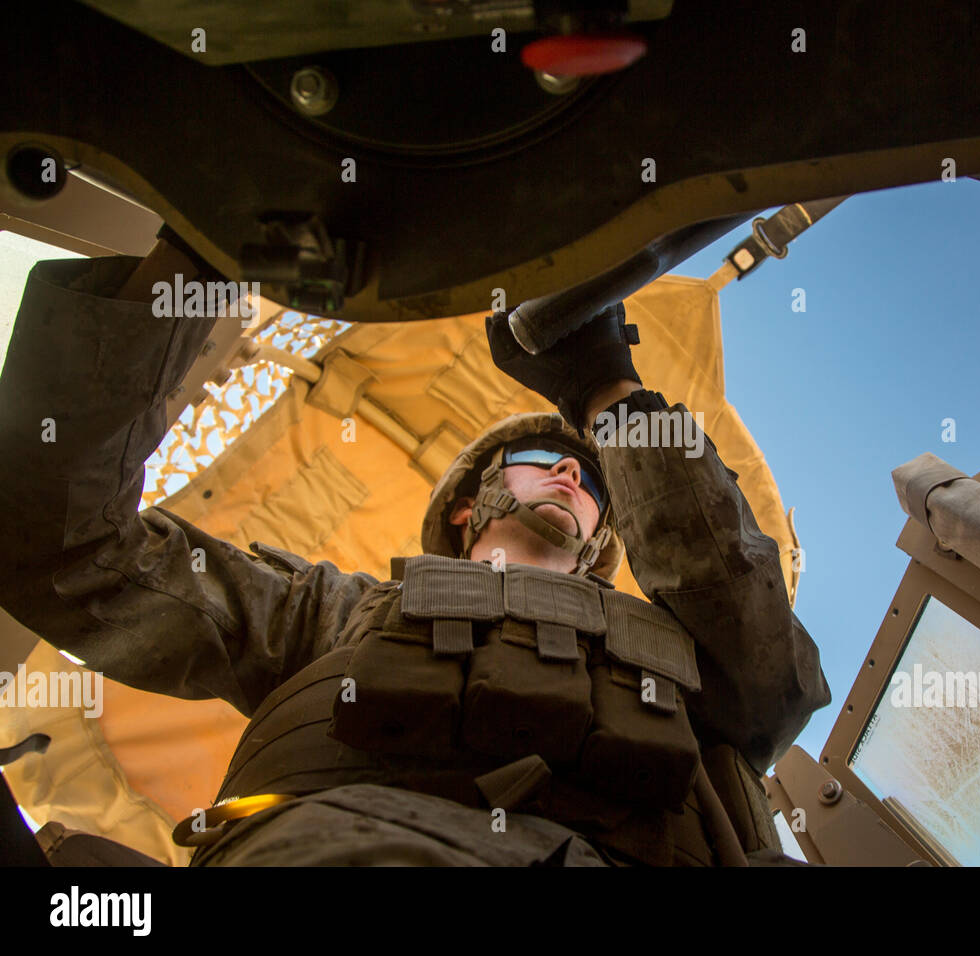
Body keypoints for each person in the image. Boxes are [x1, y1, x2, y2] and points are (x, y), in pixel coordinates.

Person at [0, 231, 831, 866]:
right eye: (547, 462)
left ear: (600, 547)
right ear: (471, 504)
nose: (576, 475)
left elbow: (762, 661)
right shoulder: (332, 617)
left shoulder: (691, 663)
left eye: (597, 483)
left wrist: (607, 391)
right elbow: (71, 553)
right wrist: (201, 257)